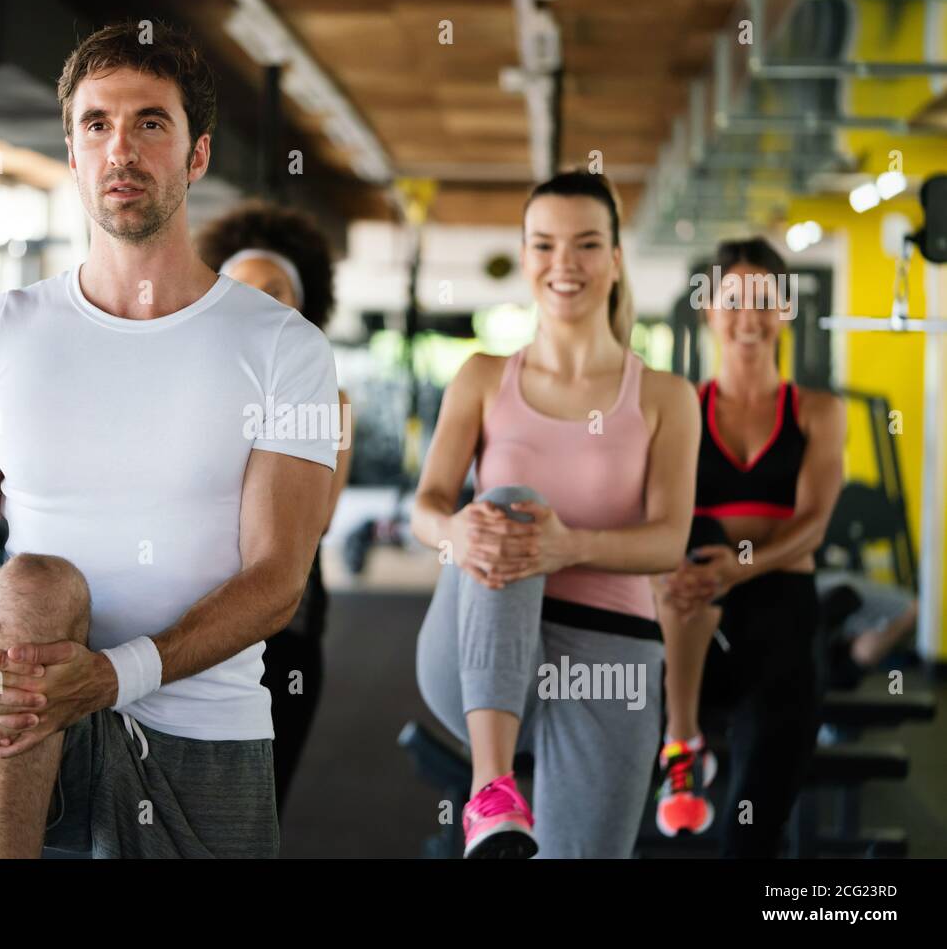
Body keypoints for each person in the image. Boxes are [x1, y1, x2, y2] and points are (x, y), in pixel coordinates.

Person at [0, 21, 340, 859]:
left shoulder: (283, 345)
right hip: (38, 727)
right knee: (29, 582)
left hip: (207, 729)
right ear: (72, 154)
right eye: (97, 125)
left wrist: (114, 675)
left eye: (151, 122)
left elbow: (277, 579)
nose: (122, 148)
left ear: (197, 155)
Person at [412, 170, 700, 858]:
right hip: (476, 647)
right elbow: (426, 507)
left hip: (610, 647)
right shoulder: (482, 377)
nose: (562, 264)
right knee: (506, 506)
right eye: (543, 245)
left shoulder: (665, 396)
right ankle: (491, 789)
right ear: (525, 253)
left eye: (586, 244)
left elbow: (668, 541)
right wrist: (453, 529)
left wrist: (566, 547)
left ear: (616, 258)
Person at [653, 238, 845, 856]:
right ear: (709, 309)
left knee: (752, 835)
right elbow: (658, 514)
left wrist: (739, 570)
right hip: (690, 622)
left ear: (785, 309)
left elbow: (814, 522)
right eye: (733, 299)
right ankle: (683, 740)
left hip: (780, 619)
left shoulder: (818, 411)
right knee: (690, 539)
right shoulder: (681, 407)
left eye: (764, 299)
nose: (749, 316)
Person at [196, 201, 354, 817]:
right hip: (184, 616)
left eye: (276, 290)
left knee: (257, 808)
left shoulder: (330, 398)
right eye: (243, 288)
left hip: (283, 626)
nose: (260, 303)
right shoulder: (189, 379)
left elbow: (313, 521)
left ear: (302, 306)